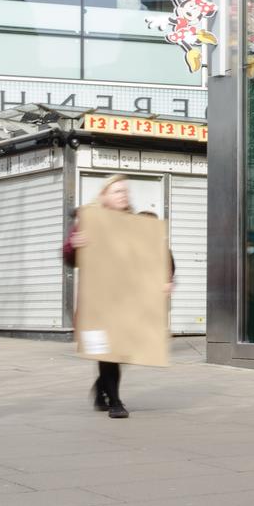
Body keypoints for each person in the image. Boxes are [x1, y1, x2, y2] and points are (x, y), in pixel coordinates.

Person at [64, 179, 175, 418]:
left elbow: (159, 254)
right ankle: (115, 401)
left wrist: (166, 279)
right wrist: (75, 246)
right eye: (117, 191)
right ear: (104, 195)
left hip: (128, 299)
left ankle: (101, 388)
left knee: (122, 349)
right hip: (99, 301)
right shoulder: (89, 222)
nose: (123, 195)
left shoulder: (135, 223)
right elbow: (69, 257)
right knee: (108, 350)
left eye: (125, 191)